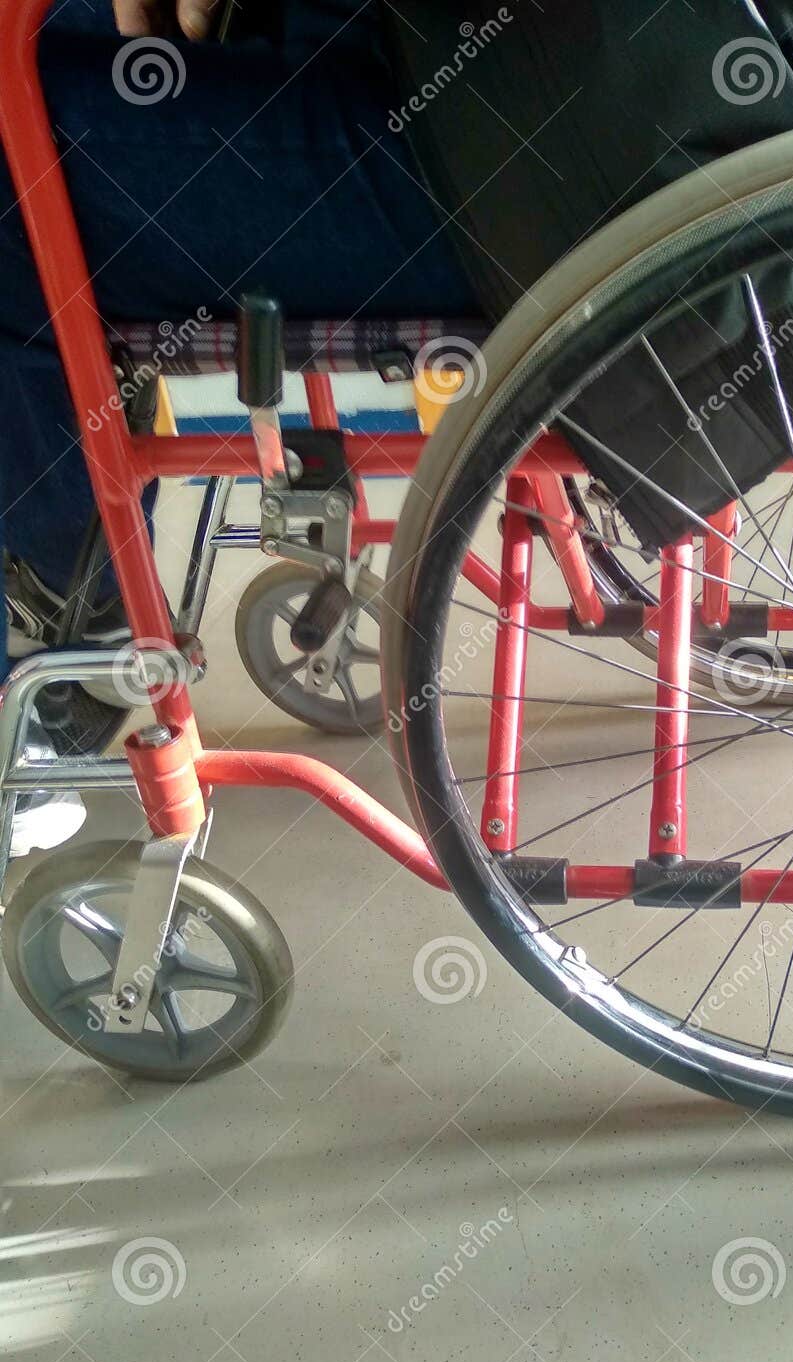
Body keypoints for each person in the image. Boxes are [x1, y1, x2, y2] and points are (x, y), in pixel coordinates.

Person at [0, 0, 478, 852]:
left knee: (9, 152)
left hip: (486, 151)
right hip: (528, 100)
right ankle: (72, 587)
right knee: (50, 58)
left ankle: (64, 613)